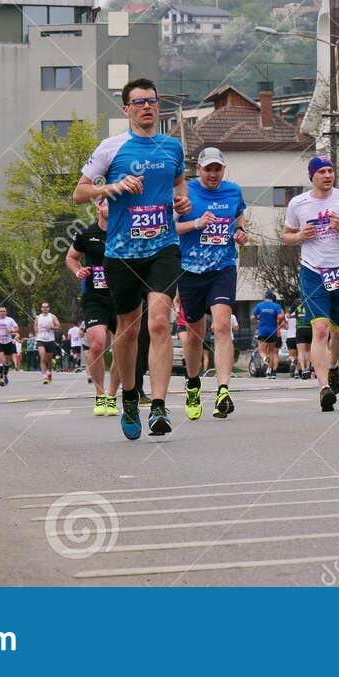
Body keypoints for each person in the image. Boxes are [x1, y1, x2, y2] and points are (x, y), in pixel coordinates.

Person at [72, 78, 192, 440]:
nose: (146, 107)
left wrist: (182, 201)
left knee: (158, 323)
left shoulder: (172, 147)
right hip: (122, 251)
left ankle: (157, 405)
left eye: (152, 101)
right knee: (127, 330)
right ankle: (127, 396)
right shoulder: (112, 148)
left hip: (163, 247)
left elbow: (180, 184)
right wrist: (112, 187)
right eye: (139, 102)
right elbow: (79, 193)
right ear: (126, 110)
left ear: (158, 106)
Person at [281, 155, 339, 412]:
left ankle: (333, 365)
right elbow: (286, 236)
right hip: (313, 273)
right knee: (320, 330)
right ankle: (323, 388)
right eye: (321, 171)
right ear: (312, 176)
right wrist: (299, 235)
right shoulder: (298, 204)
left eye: (331, 170)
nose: (328, 175)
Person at [175, 146, 249, 420]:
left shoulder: (233, 191)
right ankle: (193, 384)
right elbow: (170, 228)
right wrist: (196, 223)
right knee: (195, 335)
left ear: (223, 170)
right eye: (208, 169)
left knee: (221, 326)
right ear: (199, 169)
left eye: (218, 169)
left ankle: (222, 390)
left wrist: (240, 231)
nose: (213, 174)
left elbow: (239, 214)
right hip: (190, 270)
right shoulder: (185, 191)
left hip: (223, 267)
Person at [67, 198, 117, 415]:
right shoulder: (86, 233)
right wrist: (78, 271)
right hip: (95, 297)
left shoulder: (124, 231)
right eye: (106, 204)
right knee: (96, 345)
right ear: (98, 207)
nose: (110, 208)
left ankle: (113, 395)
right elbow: (71, 257)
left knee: (122, 349)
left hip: (122, 297)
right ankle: (99, 393)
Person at [252, 293, 284, 377]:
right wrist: (279, 322)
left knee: (262, 350)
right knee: (271, 351)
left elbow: (252, 317)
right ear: (272, 298)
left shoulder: (259, 305)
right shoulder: (276, 306)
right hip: (273, 331)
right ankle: (269, 371)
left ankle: (264, 359)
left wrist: (257, 320)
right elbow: (281, 316)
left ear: (265, 298)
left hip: (262, 331)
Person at [0, 306, 20, 387]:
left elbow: (17, 328)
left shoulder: (10, 320)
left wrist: (11, 330)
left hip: (8, 342)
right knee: (0, 360)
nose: (2, 313)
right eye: (1, 311)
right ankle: (1, 378)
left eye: (4, 311)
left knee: (7, 362)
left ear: (6, 312)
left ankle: (5, 375)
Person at [33, 301, 61, 385]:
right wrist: (36, 330)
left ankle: (49, 372)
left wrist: (52, 327)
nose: (45, 308)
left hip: (50, 340)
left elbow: (59, 327)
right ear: (41, 308)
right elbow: (35, 326)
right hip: (40, 339)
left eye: (46, 307)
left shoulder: (52, 316)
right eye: (43, 307)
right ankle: (44, 376)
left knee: (49, 359)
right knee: (43, 358)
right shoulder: (38, 317)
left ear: (49, 308)